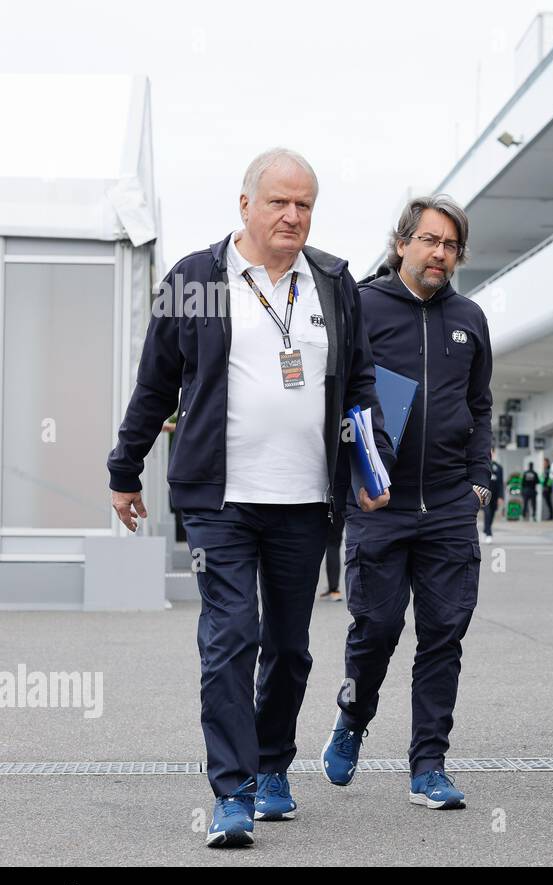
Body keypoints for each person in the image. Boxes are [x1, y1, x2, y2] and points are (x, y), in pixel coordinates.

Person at [107, 148, 393, 848]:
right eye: (278, 202)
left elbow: (358, 384)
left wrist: (370, 460)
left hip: (305, 501)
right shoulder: (195, 278)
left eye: (304, 205)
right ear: (245, 205)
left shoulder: (332, 280)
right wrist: (125, 467)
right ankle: (231, 792)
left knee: (290, 650)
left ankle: (272, 767)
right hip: (220, 499)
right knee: (230, 639)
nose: (292, 216)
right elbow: (155, 383)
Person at [320, 194, 492, 811]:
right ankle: (353, 717)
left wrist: (480, 479)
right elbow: (337, 396)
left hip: (448, 504)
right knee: (377, 628)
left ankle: (429, 765)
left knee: (444, 635)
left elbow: (480, 407)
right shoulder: (362, 306)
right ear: (402, 245)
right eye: (428, 240)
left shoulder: (470, 318)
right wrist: (350, 475)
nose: (439, 253)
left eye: (450, 245)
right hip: (380, 505)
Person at [483, 450, 505, 542]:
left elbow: (500, 483)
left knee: (492, 513)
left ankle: (487, 528)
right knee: (487, 513)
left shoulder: (499, 468)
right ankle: (488, 533)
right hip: (485, 494)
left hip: (495, 495)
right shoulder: (483, 466)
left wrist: (501, 496)